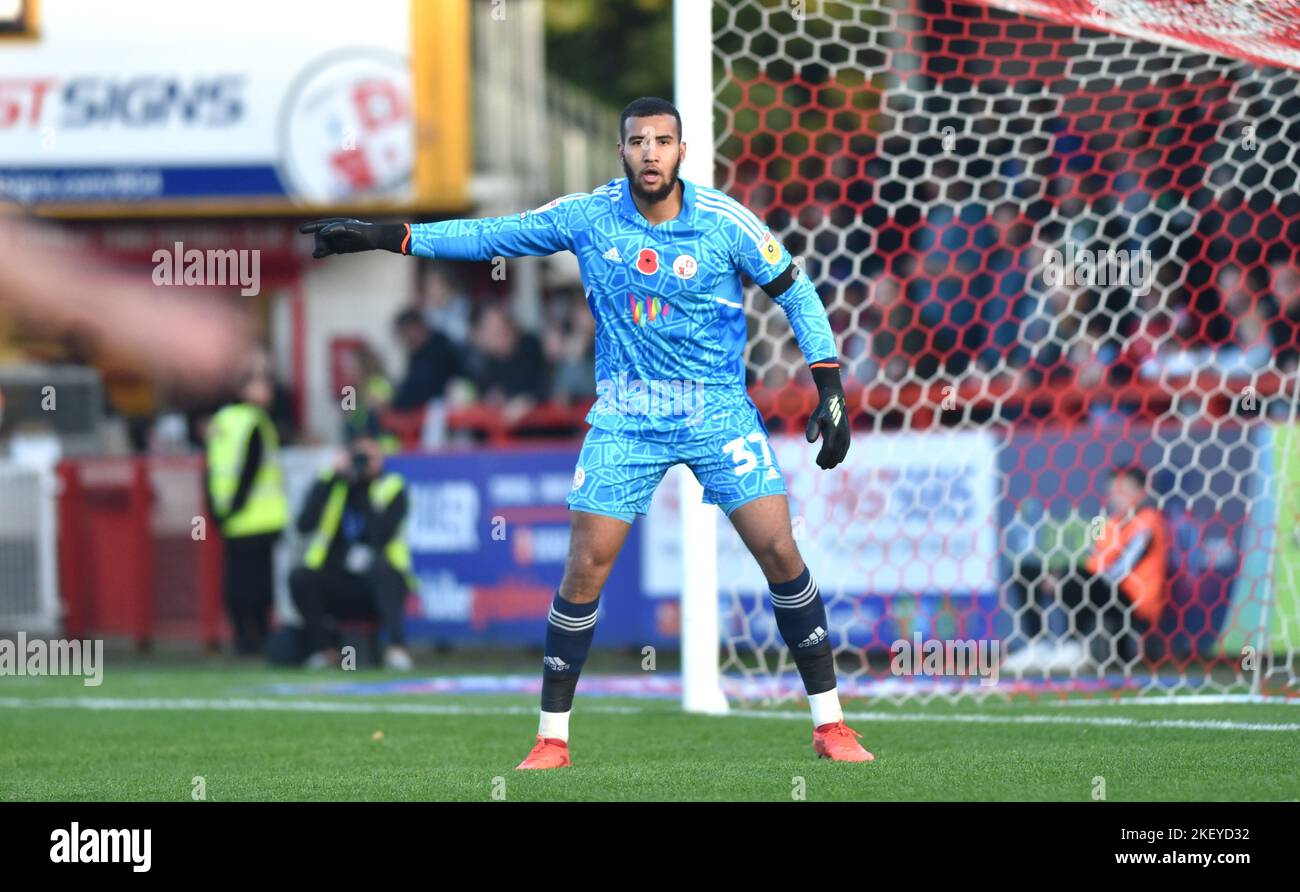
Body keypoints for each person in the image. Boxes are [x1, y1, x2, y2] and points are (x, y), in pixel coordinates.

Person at [300, 95, 867, 767]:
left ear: (682, 151)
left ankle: (832, 727)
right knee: (584, 569)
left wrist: (829, 385)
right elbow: (492, 237)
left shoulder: (725, 222)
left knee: (778, 551)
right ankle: (551, 739)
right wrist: (386, 235)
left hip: (716, 409)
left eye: (662, 141)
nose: (649, 152)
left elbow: (795, 292)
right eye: (637, 141)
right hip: (626, 413)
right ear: (621, 150)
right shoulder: (589, 217)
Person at [1007, 466, 1170, 674]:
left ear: (1142, 492)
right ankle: (1036, 645)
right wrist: (1059, 574)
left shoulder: (1149, 520)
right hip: (1099, 586)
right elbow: (1091, 557)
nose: (1117, 497)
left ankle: (1073, 645)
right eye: (1113, 491)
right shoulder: (1104, 521)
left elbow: (1122, 568)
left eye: (1124, 490)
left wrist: (1071, 575)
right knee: (1026, 571)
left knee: (1076, 577)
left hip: (1131, 597)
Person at [289, 436, 415, 671]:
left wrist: (364, 486)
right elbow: (304, 524)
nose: (362, 463)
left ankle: (397, 649)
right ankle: (324, 651)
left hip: (377, 586)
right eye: (358, 457)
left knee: (382, 569)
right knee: (301, 577)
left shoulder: (392, 486)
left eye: (368, 457)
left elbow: (379, 535)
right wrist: (329, 477)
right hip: (339, 580)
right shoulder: (334, 485)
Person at [205, 361, 289, 656]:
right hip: (258, 517)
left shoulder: (222, 420)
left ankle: (242, 638)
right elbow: (250, 470)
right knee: (258, 585)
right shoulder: (257, 421)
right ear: (244, 390)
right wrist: (237, 506)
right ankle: (259, 639)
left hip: (231, 517)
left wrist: (218, 511)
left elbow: (212, 466)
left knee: (237, 583)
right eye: (260, 384)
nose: (267, 391)